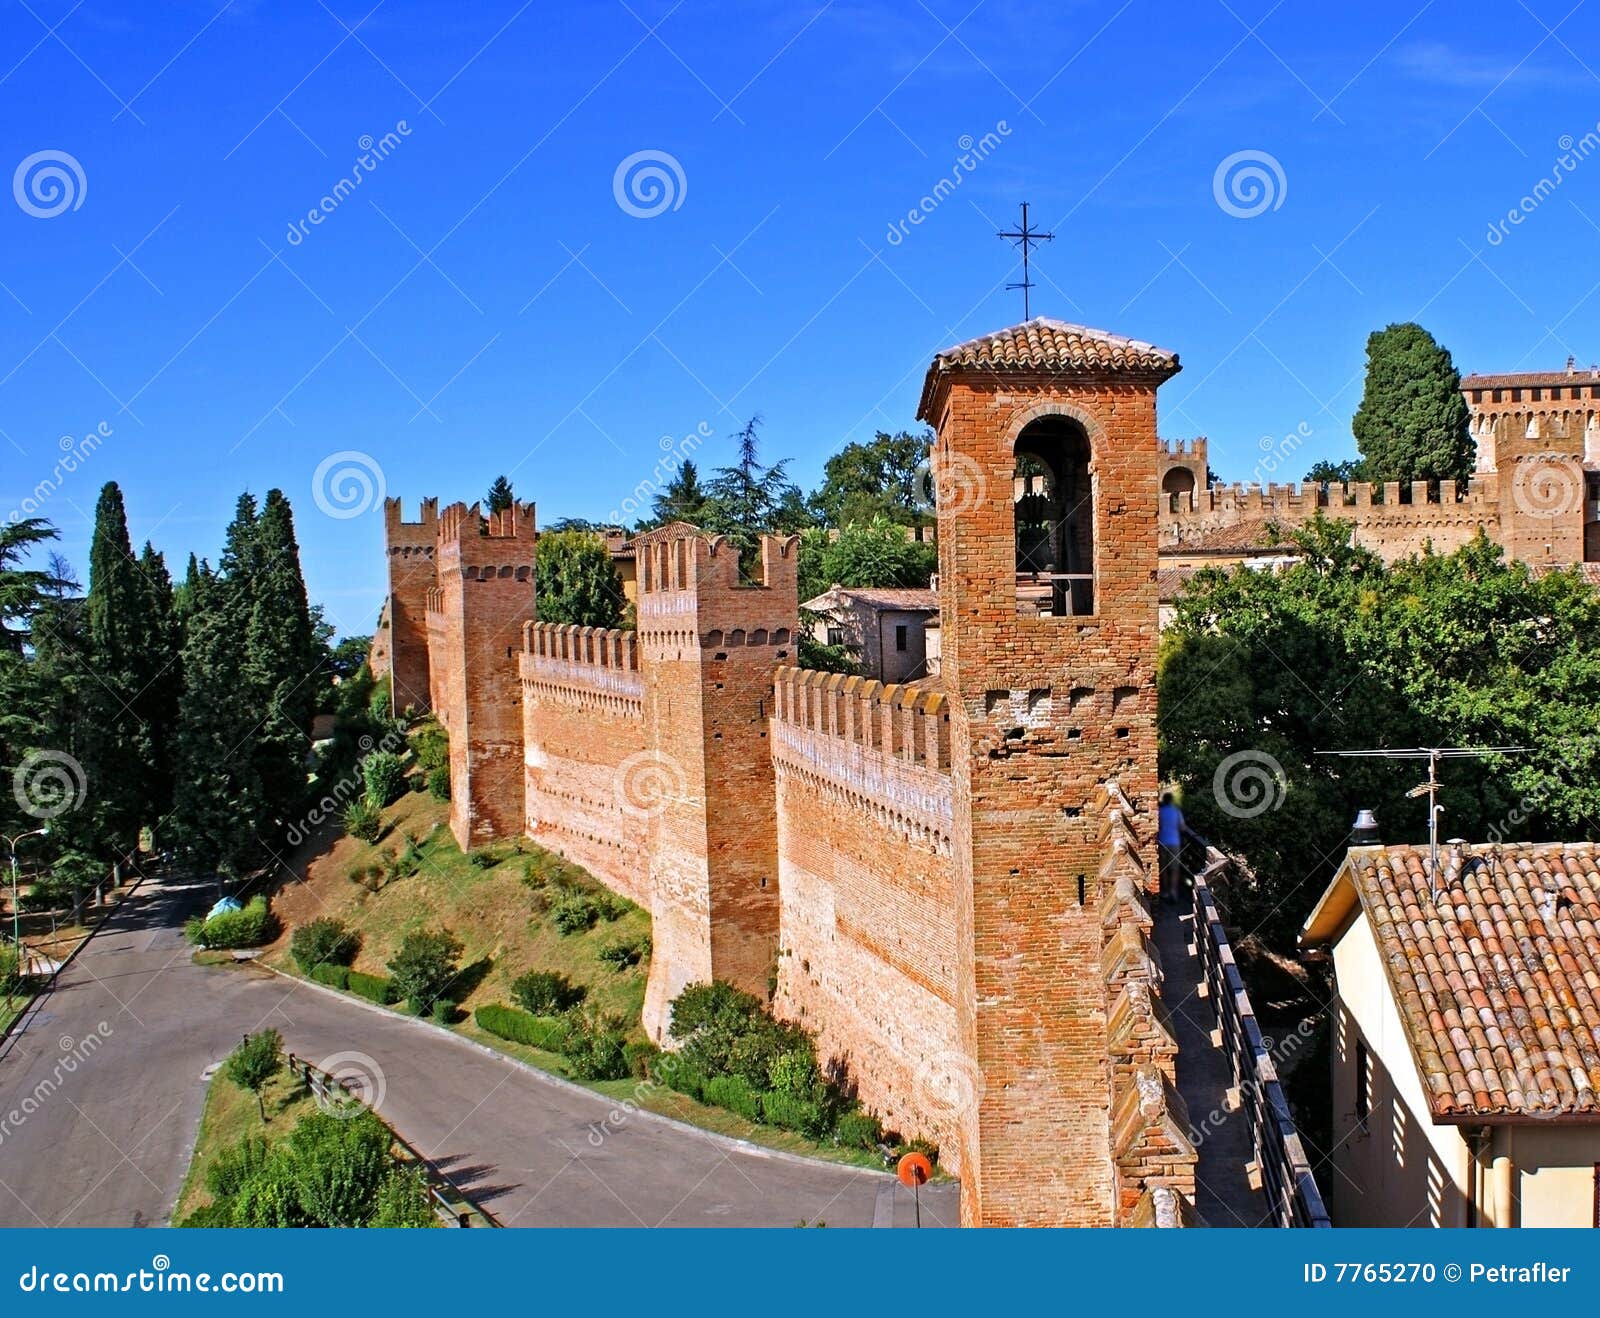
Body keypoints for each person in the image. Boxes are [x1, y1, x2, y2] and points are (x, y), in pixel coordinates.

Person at [1157, 791, 1186, 905]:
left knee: (1164, 867)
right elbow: (1183, 827)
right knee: (1174, 868)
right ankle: (1173, 891)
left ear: (1163, 801)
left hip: (1162, 841)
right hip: (1175, 842)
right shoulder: (1176, 811)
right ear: (1172, 801)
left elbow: (1157, 825)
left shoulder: (1160, 811)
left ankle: (1165, 891)